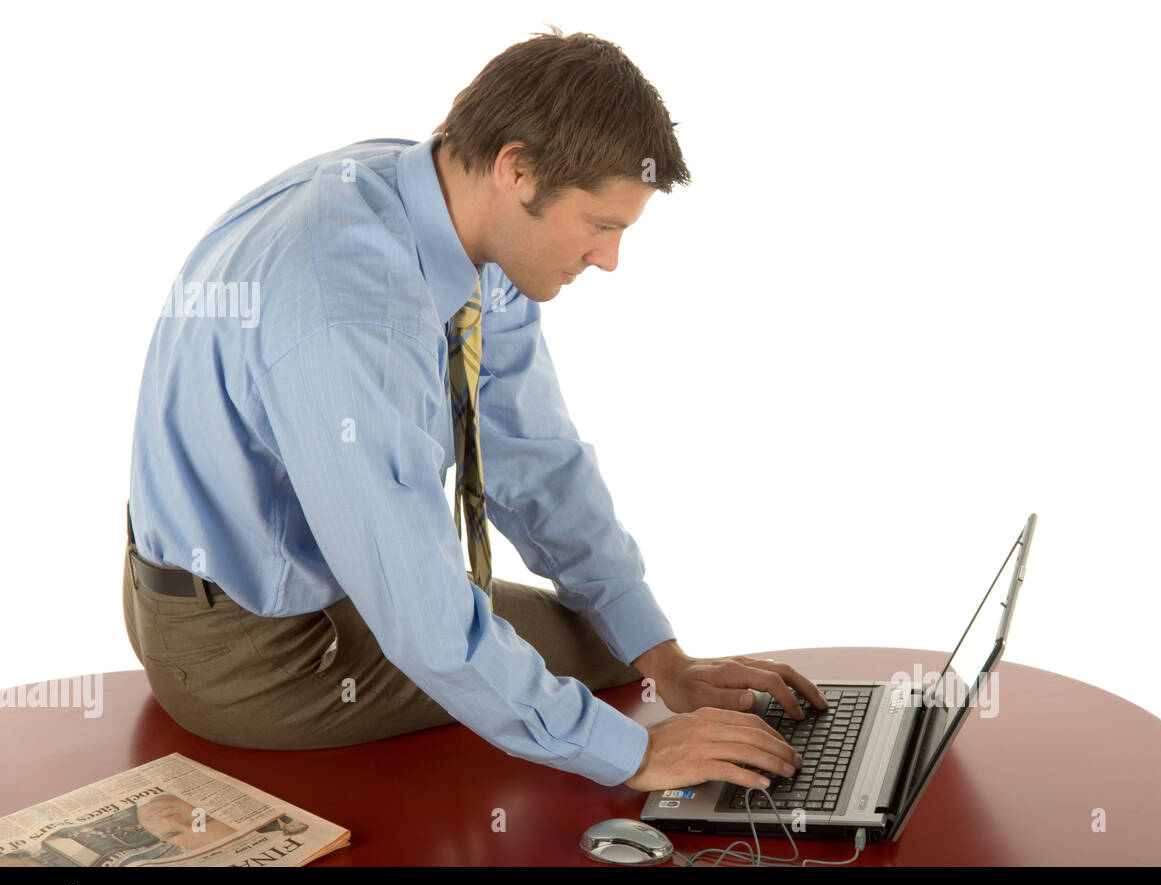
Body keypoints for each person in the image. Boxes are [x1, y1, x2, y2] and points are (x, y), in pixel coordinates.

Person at [123, 26, 825, 793]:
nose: (610, 260)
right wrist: (639, 755)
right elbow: (421, 616)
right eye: (601, 226)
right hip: (248, 649)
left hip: (329, 580)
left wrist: (669, 664)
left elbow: (536, 456)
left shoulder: (451, 214)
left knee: (617, 642)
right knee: (571, 679)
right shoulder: (350, 310)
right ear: (516, 169)